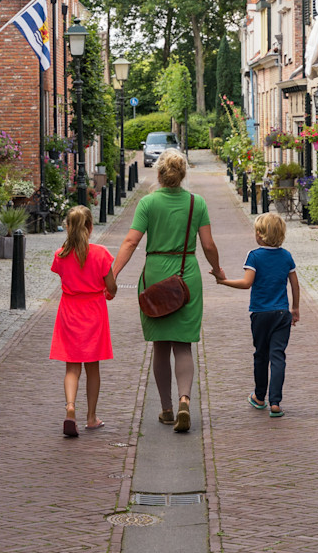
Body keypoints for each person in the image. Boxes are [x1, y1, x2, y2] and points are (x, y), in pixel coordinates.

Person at [112, 148, 222, 433]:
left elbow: (130, 242)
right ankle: (185, 400)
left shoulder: (148, 203)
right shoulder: (197, 203)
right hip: (186, 277)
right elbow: (208, 245)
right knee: (183, 344)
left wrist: (112, 275)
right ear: (182, 175)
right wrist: (218, 270)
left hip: (156, 275)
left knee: (160, 345)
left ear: (159, 174)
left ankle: (167, 409)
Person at [214, 212, 299, 418]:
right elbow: (295, 285)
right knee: (278, 356)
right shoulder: (286, 256)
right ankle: (276, 402)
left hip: (260, 313)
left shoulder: (254, 256)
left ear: (260, 235)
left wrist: (223, 281)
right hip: (282, 313)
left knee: (261, 355)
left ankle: (260, 397)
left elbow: (247, 283)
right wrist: (295, 309)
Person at [50, 205, 117, 437]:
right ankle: (91, 417)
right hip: (94, 312)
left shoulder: (60, 255)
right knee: (92, 366)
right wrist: (108, 292)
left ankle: (70, 407)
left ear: (68, 227)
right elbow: (111, 286)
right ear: (90, 227)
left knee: (71, 366)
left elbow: (63, 274)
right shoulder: (101, 254)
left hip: (69, 311)